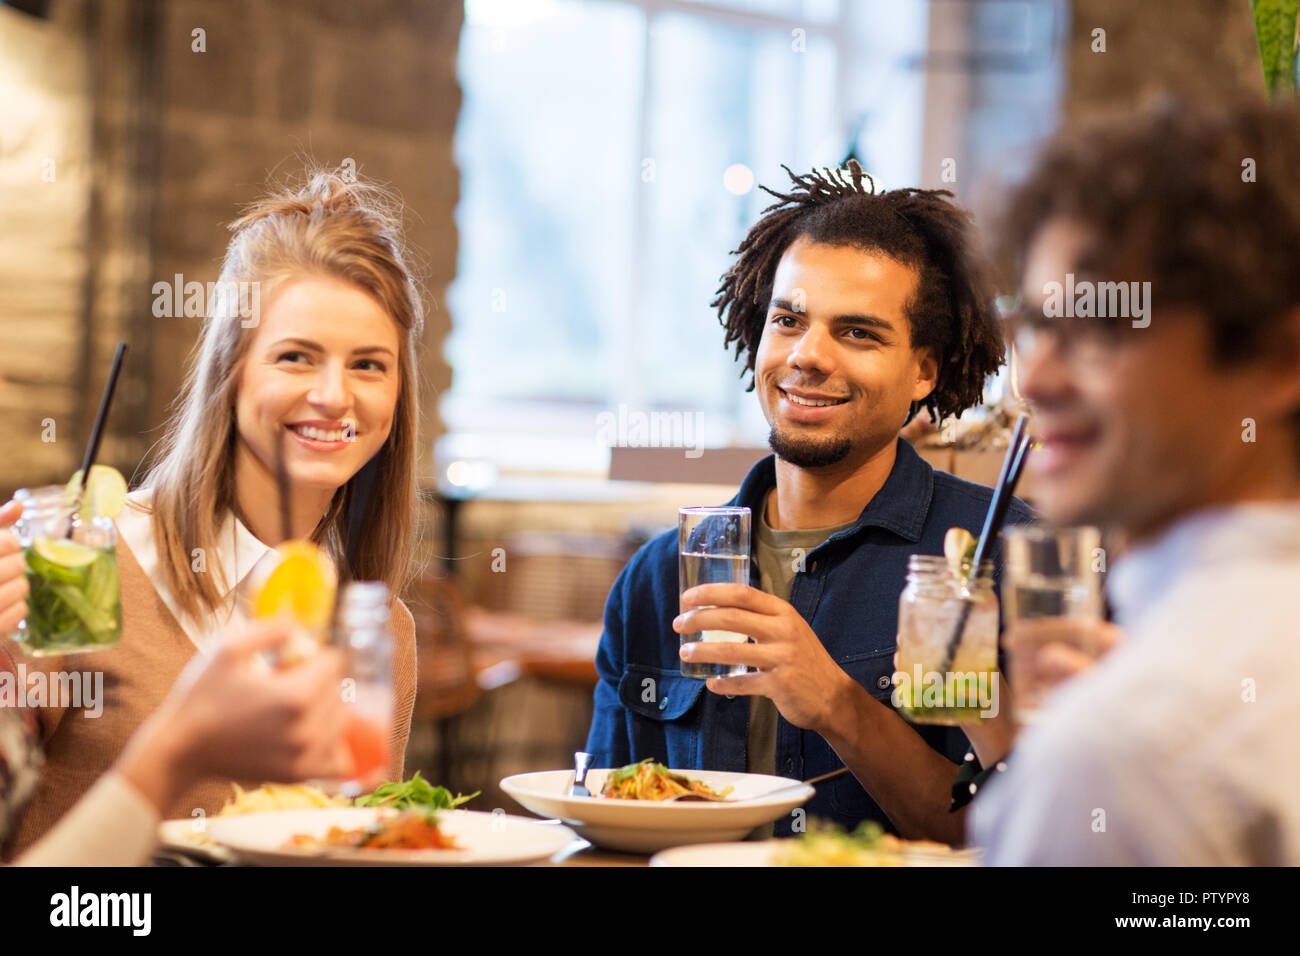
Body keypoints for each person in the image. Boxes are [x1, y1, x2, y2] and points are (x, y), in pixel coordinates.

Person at [587, 161, 1031, 842]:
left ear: (924, 371)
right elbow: (607, 820)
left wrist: (835, 703)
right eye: (789, 319)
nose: (808, 355)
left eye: (857, 332)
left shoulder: (992, 555)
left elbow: (1013, 837)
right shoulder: (656, 577)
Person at [4, 169, 424, 857]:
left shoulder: (382, 632)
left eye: (369, 365)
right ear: (230, 370)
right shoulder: (70, 574)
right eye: (296, 356)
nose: (333, 395)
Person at [970, 95, 1300, 864]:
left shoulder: (1126, 749)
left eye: (1100, 329)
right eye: (1037, 326)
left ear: (1279, 361)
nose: (1036, 378)